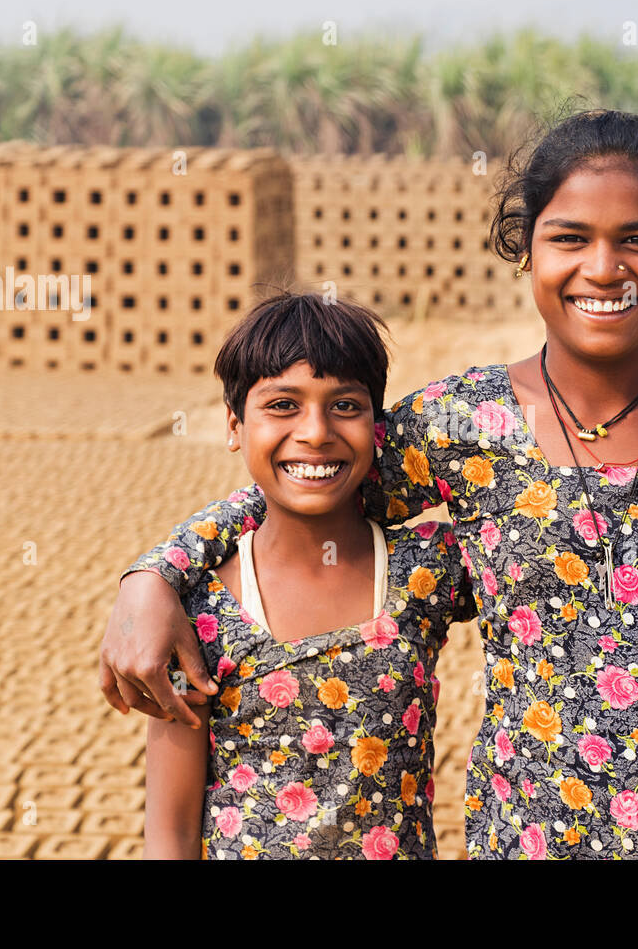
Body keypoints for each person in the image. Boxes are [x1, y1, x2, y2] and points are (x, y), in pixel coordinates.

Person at [106, 107, 638, 859]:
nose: (603, 267)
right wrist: (155, 574)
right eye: (569, 238)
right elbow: (312, 479)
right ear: (525, 250)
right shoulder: (460, 426)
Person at [142, 292, 475, 859]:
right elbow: (170, 834)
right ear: (234, 425)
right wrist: (147, 580)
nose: (316, 432)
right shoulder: (193, 609)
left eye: (346, 405)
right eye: (282, 406)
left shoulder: (429, 569)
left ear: (378, 426)